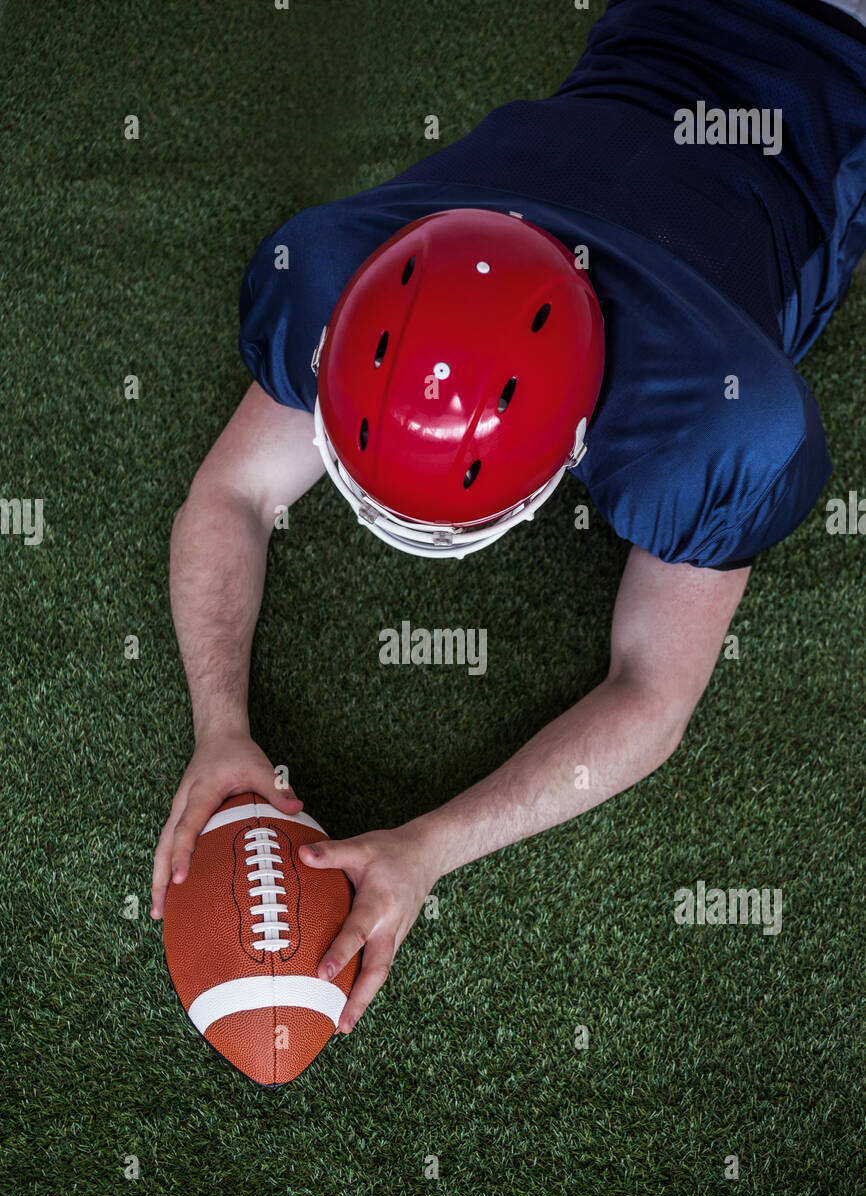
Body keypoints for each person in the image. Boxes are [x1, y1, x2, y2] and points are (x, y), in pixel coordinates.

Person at [151, 0, 866, 1037]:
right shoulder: (344, 279)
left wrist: (432, 843)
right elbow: (231, 494)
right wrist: (219, 729)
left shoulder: (718, 424)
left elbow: (652, 696)